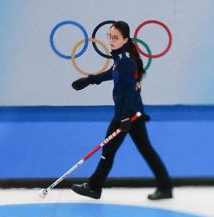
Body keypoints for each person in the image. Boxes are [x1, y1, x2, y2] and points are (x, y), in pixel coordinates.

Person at [70, 21, 172, 201]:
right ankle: (164, 187)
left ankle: (94, 186)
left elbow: (128, 91)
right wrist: (89, 80)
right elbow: (112, 73)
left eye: (115, 37)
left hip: (128, 115)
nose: (111, 40)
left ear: (125, 39)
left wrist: (125, 118)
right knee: (136, 150)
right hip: (129, 114)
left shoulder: (125, 60)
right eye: (109, 36)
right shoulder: (121, 57)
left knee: (114, 151)